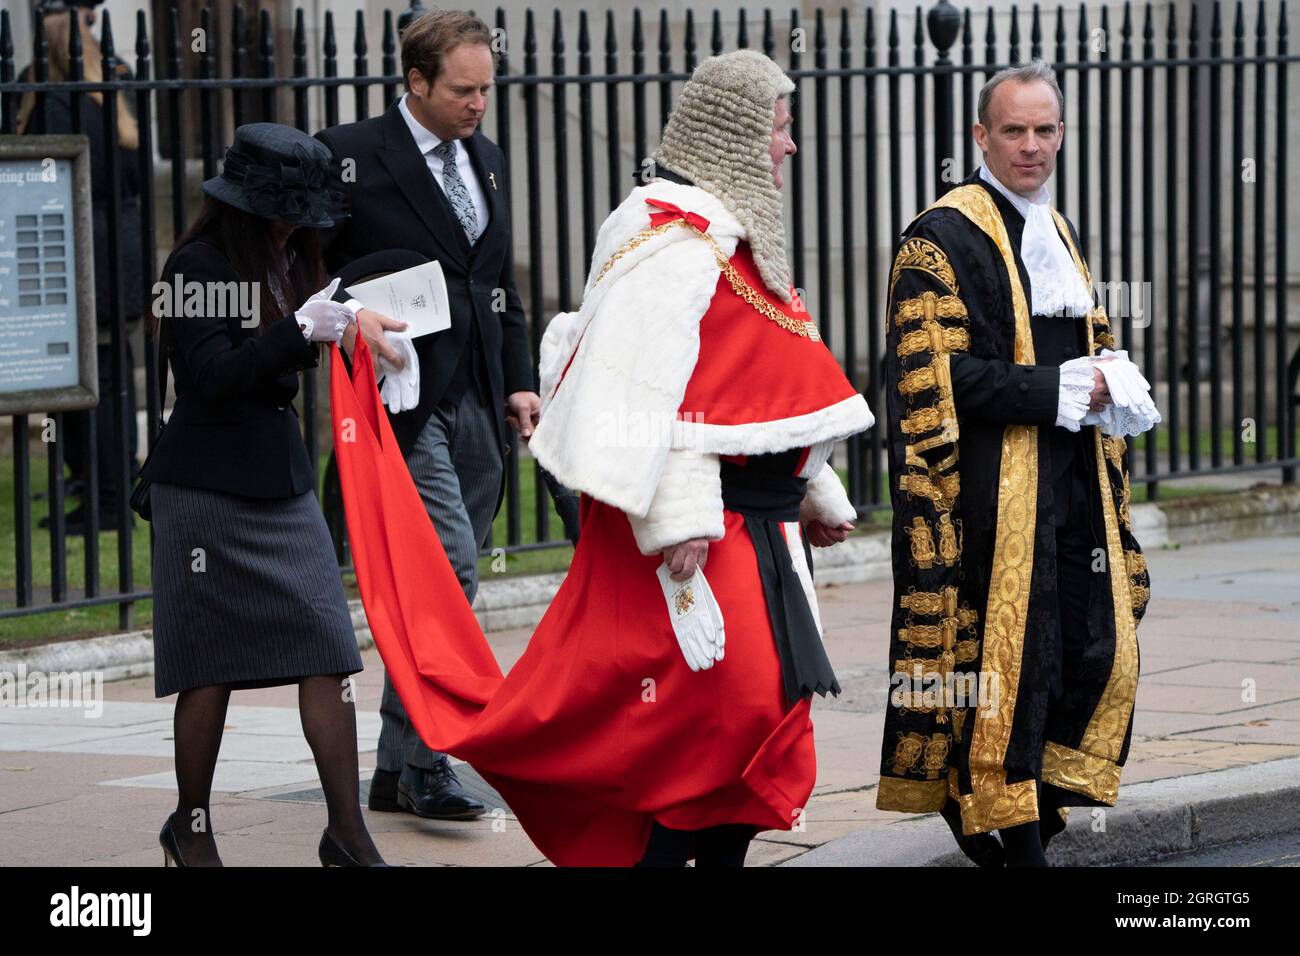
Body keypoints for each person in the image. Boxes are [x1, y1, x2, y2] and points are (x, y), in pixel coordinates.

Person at [327, 49, 875, 866]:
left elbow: (753, 388)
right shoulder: (670, 247)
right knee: (715, 730)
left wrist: (809, 487)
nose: (789, 146)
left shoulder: (734, 238)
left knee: (762, 724)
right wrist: (680, 514)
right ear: (734, 137)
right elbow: (638, 395)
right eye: (779, 129)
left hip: (760, 532)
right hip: (701, 535)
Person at [874, 61, 1157, 866]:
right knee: (999, 668)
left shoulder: (1056, 227)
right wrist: (1058, 388)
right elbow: (931, 375)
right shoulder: (940, 236)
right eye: (1014, 130)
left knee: (1093, 645)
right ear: (980, 137)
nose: (1031, 147)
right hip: (987, 498)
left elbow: (1081, 345)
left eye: (1045, 130)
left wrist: (1109, 378)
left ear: (1062, 134)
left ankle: (1030, 813)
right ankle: (1003, 830)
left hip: (1073, 491)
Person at [140, 123, 384, 867]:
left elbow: (278, 367)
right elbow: (212, 379)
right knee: (207, 665)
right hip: (206, 488)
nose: (296, 228)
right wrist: (298, 333)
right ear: (246, 205)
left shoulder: (287, 258)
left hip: (278, 483)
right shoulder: (196, 264)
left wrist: (345, 330)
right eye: (284, 213)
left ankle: (346, 833)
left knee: (328, 648)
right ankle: (191, 824)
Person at [315, 9, 538, 822]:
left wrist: (518, 378)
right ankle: (427, 762)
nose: (480, 102)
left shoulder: (486, 158)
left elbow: (497, 279)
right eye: (463, 89)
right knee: (451, 570)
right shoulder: (349, 156)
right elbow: (305, 273)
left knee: (449, 575)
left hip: (478, 393)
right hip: (400, 402)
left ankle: (393, 765)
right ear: (415, 82)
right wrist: (349, 317)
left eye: (487, 87)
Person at [18, 0, 144, 534]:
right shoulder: (118, 79)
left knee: (78, 377)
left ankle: (108, 497)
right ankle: (104, 490)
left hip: (76, 250)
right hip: (120, 248)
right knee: (108, 376)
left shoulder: (43, 89)